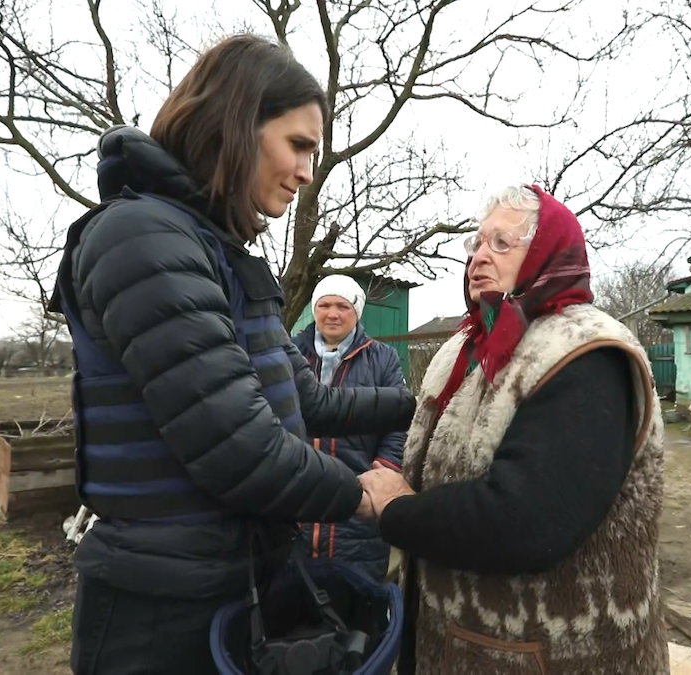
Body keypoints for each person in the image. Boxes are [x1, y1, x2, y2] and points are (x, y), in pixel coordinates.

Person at [47, 34, 416, 674]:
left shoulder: (218, 250)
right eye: (298, 145)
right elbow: (240, 450)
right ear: (238, 125)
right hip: (161, 609)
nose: (307, 171)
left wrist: (421, 399)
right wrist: (367, 495)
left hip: (232, 584)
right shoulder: (142, 238)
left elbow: (307, 400)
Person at [358, 185, 668, 674]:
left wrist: (397, 508)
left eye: (501, 243)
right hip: (463, 647)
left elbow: (527, 520)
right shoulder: (474, 345)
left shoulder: (585, 354)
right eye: (477, 244)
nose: (479, 256)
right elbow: (433, 422)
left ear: (549, 251)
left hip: (554, 657)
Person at [291, 275, 408, 581]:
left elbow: (398, 422)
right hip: (295, 501)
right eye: (325, 305)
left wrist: (381, 470)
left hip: (357, 502)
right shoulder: (290, 354)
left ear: (357, 312)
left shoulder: (383, 359)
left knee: (355, 602)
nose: (332, 313)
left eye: (342, 306)